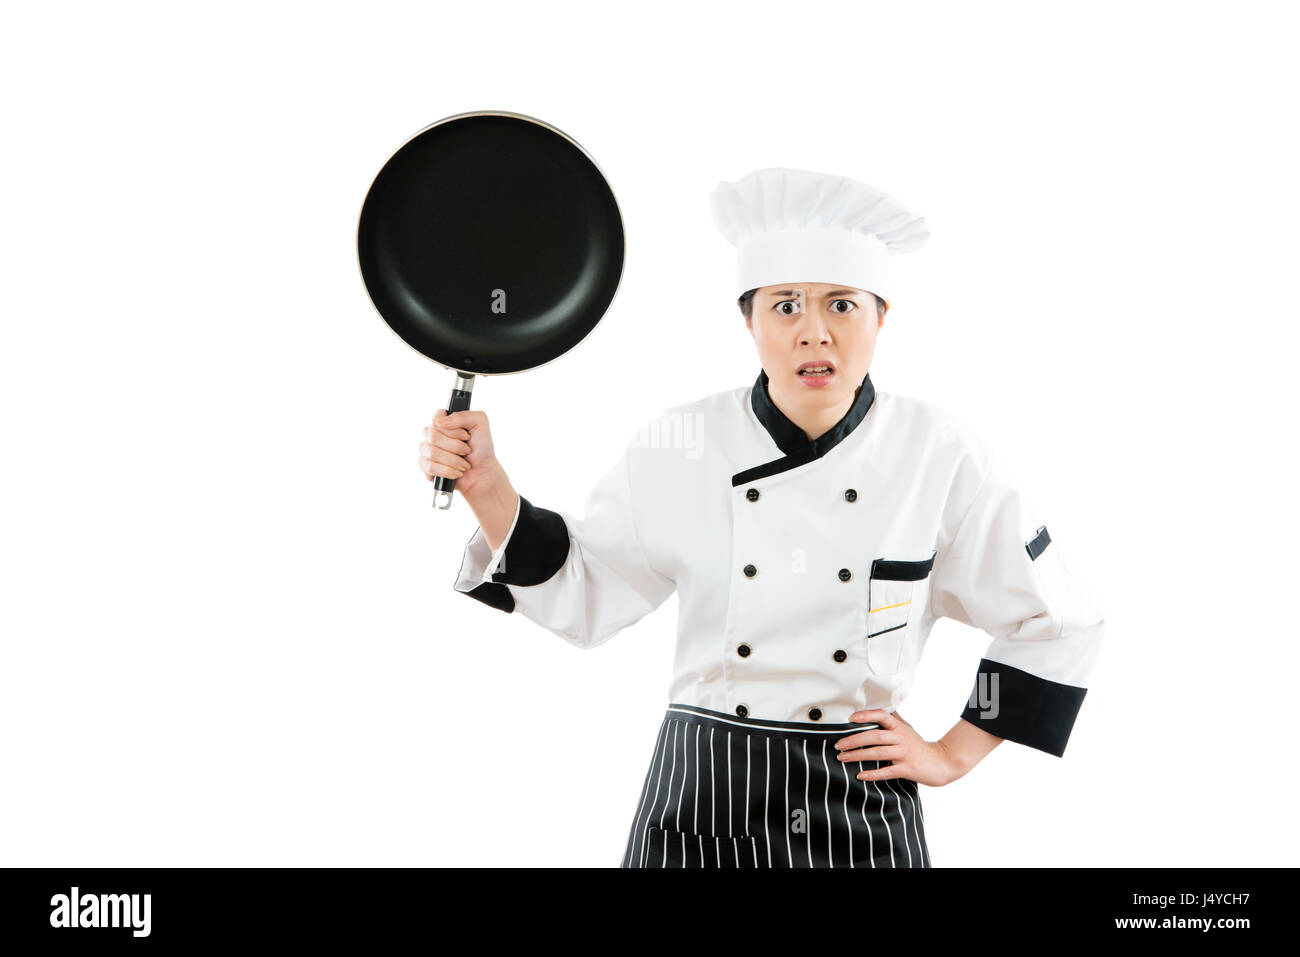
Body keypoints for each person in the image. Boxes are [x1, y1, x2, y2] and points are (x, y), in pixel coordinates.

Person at [419, 168, 1106, 868]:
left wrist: (951, 751)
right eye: (784, 307)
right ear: (747, 319)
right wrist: (488, 485)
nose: (815, 333)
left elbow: (1057, 618)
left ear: (881, 315)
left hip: (857, 799)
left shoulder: (942, 454)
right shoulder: (681, 443)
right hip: (698, 796)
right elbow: (587, 584)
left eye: (842, 304)